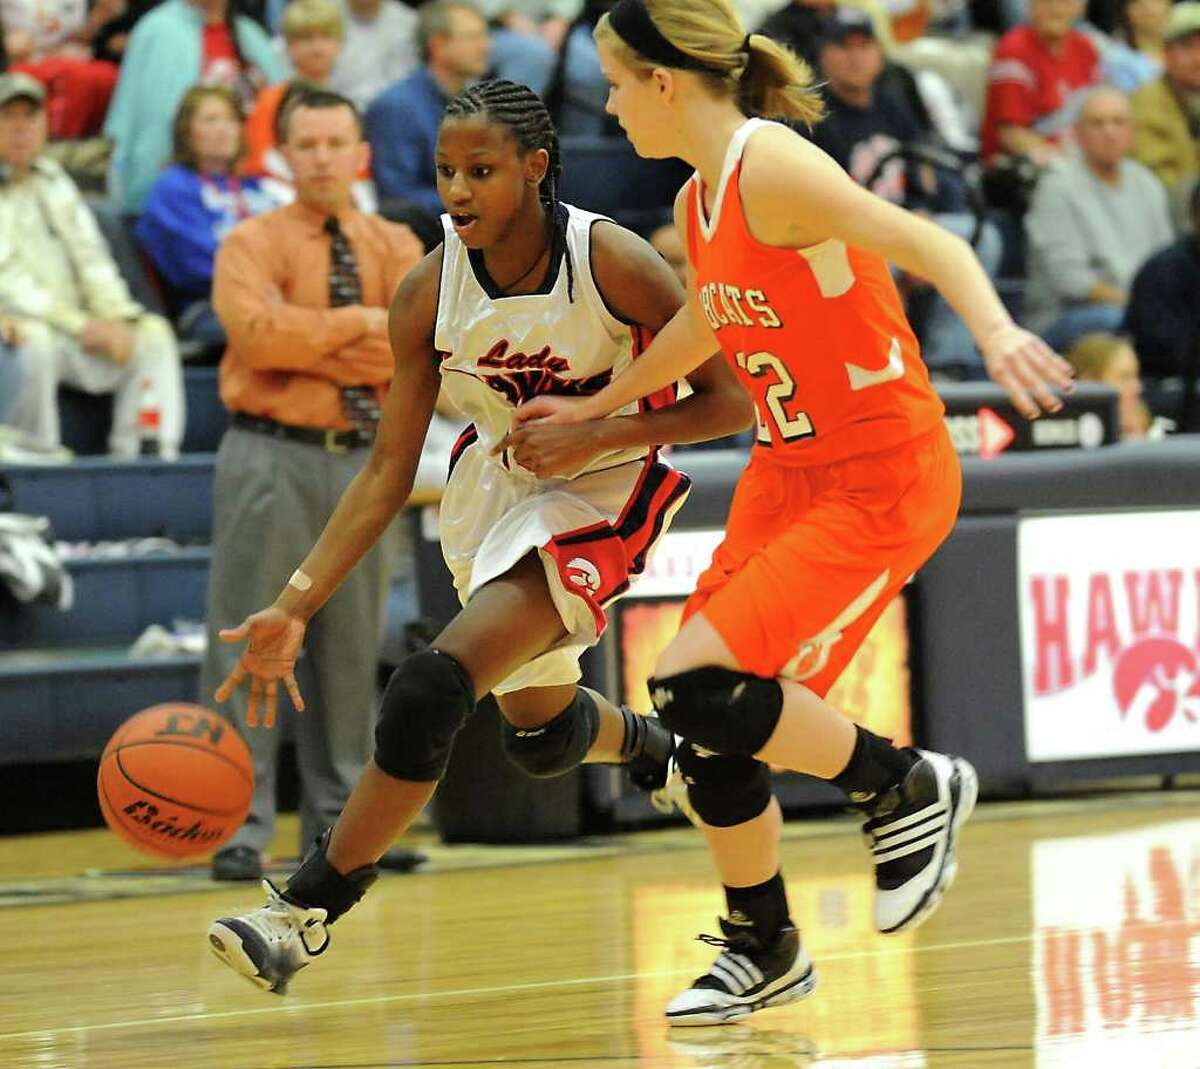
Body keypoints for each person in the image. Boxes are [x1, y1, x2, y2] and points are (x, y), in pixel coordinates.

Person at [510, 0, 1073, 1025]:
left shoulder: (771, 165)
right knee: (703, 729)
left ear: (666, 83)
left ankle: (904, 785)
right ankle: (763, 945)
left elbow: (930, 241)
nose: (609, 102)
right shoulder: (697, 205)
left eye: (619, 82)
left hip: (879, 470)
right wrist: (597, 411)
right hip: (790, 469)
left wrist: (995, 335)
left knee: (695, 685)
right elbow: (706, 323)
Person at [204, 77, 752, 984]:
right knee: (538, 734)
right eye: (446, 171)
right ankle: (657, 749)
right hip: (493, 488)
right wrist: (294, 604)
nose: (457, 191)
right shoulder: (427, 289)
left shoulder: (609, 259)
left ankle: (300, 911)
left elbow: (728, 401)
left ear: (536, 167)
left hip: (604, 486)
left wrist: (604, 428)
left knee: (426, 691)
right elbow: (387, 469)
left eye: (482, 170)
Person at [199, 87, 425, 882]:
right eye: (309, 143)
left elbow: (415, 352)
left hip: (367, 461)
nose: (324, 156)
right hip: (270, 453)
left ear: (361, 153)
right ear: (284, 155)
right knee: (247, 632)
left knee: (352, 647)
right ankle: (235, 822)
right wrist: (365, 324)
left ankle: (339, 830)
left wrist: (321, 336)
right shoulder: (247, 243)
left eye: (337, 142)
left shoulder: (398, 242)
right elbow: (256, 340)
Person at [810, 7, 1004, 379]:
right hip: (849, 236)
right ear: (824, 55)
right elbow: (825, 204)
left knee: (983, 237)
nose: (856, 57)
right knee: (878, 263)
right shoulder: (814, 117)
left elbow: (920, 172)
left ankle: (950, 362)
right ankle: (891, 371)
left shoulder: (893, 102)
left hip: (899, 225)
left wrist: (921, 215)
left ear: (880, 53)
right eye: (844, 48)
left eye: (865, 46)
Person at [0, 72, 185, 458]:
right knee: (32, 342)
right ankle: (35, 458)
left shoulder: (55, 181)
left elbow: (92, 259)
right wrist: (82, 326)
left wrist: (115, 316)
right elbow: (9, 283)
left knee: (153, 336)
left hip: (73, 329)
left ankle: (144, 458)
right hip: (22, 329)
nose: (21, 130)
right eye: (8, 118)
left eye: (30, 119)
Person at [1023, 87, 1173, 351]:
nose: (1109, 132)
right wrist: (1139, 305)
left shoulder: (1147, 183)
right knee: (1118, 319)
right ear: (1078, 133)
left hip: (1140, 308)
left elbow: (1166, 262)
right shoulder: (1057, 187)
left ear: (1132, 131)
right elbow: (1070, 281)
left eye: (1118, 122)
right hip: (1065, 319)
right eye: (1097, 123)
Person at [103, 0, 285, 214]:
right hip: (177, 196)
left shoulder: (250, 36)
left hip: (249, 186)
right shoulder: (159, 32)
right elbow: (145, 125)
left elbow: (280, 111)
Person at [136, 86, 277, 351]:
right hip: (209, 308)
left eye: (231, 119)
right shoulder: (173, 189)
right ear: (187, 132)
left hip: (278, 298)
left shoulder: (259, 187)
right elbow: (196, 266)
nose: (224, 129)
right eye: (211, 120)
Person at [365, 0, 490, 218]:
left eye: (484, 36)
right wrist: (477, 200)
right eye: (472, 37)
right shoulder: (396, 108)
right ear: (438, 45)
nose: (485, 46)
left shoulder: (479, 100)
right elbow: (398, 196)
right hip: (426, 238)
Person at [981, 0, 1100, 163]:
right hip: (1025, 168)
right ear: (1031, 6)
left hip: (1078, 160)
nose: (1056, 10)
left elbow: (1096, 118)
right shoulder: (1013, 50)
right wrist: (1068, 166)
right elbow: (1011, 135)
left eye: (1066, 3)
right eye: (1047, 2)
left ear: (1080, 8)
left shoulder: (1086, 49)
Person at [1131, 2, 1200, 220]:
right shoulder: (1145, 105)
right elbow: (1162, 183)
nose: (1198, 58)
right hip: (1173, 217)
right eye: (1187, 47)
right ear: (1166, 54)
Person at [327, 0, 418, 112]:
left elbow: (407, 84)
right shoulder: (322, 14)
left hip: (388, 113)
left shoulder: (408, 23)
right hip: (330, 108)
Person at [1065, 332, 1152, 438]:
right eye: (1124, 377)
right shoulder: (1068, 433)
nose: (1138, 387)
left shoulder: (1142, 422)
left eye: (1135, 376)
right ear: (1090, 383)